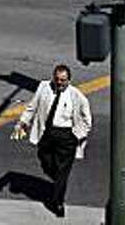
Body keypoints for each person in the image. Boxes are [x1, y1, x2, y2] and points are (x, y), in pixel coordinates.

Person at [11, 64, 92, 217]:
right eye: (57, 79)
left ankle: (58, 203)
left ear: (69, 80)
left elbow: (87, 120)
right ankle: (57, 181)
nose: (59, 83)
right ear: (53, 78)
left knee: (62, 172)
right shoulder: (43, 87)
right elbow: (32, 107)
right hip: (47, 133)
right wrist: (23, 122)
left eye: (63, 80)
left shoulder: (77, 96)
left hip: (67, 136)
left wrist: (77, 135)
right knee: (46, 161)